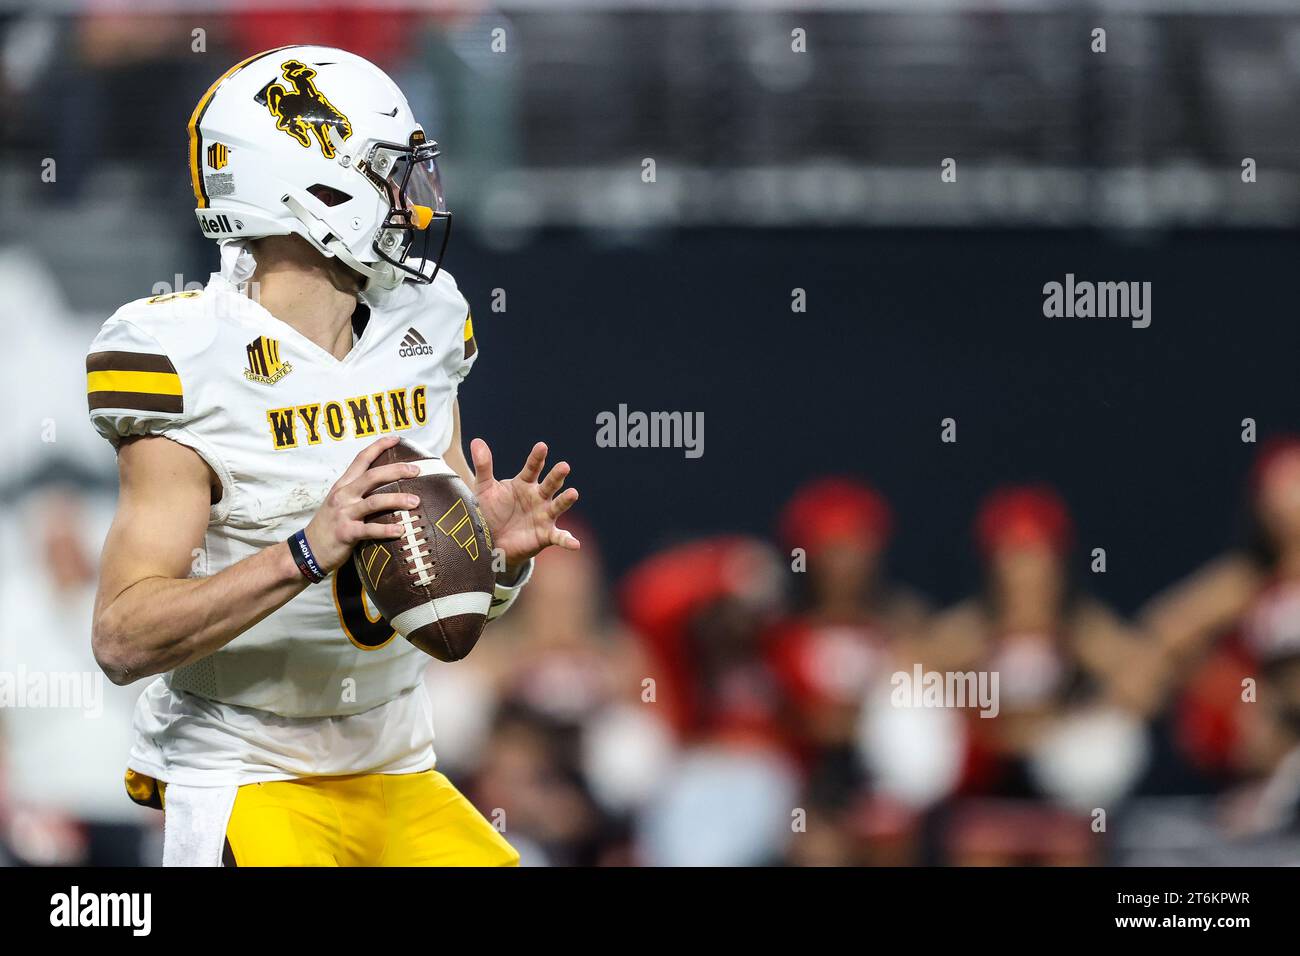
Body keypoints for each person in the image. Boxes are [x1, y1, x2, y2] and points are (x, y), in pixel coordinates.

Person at [85, 46, 580, 867]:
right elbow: (121, 640)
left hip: (397, 764)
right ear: (313, 190)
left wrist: (492, 560)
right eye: (390, 174)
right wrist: (306, 551)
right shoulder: (184, 354)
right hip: (249, 774)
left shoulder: (424, 322)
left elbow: (440, 612)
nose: (413, 201)